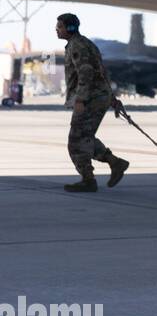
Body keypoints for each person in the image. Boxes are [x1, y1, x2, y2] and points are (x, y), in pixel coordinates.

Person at [56, 13, 129, 192]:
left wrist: (81, 99)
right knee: (85, 137)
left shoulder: (77, 45)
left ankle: (88, 180)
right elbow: (102, 72)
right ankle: (115, 163)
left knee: (75, 140)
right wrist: (111, 97)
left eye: (60, 26)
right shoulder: (86, 43)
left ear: (70, 28)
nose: (56, 29)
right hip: (98, 96)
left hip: (90, 99)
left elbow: (86, 72)